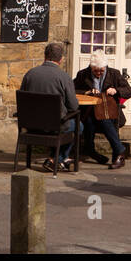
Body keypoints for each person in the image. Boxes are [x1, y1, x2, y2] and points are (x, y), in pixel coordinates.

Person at [19, 42, 80, 171]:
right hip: (55, 127)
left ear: (45, 56)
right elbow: (74, 106)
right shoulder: (64, 77)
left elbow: (22, 99)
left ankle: (59, 158)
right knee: (79, 126)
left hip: (31, 126)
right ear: (61, 59)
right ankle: (56, 159)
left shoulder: (30, 74)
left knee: (62, 124)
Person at [73, 53, 131, 168]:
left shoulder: (114, 74)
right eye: (95, 71)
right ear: (91, 67)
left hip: (109, 112)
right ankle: (117, 152)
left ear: (105, 67)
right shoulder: (83, 74)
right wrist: (86, 92)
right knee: (91, 121)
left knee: (103, 120)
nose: (98, 74)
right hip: (89, 112)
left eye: (101, 71)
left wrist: (116, 90)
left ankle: (118, 152)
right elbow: (72, 89)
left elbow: (129, 90)